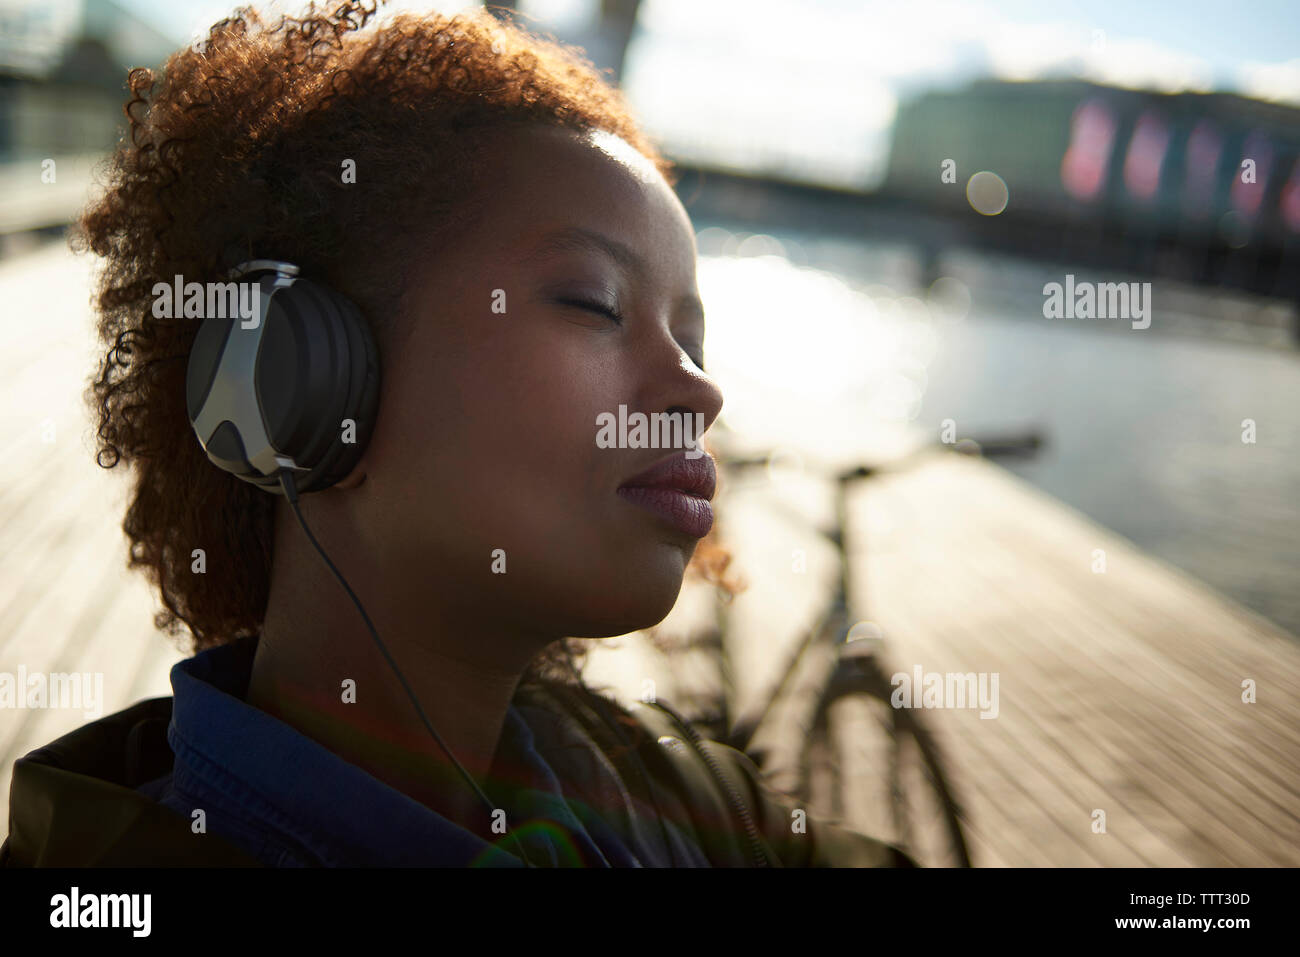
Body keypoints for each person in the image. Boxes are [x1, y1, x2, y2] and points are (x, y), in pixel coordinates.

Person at [1, 2, 913, 868]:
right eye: (594, 302)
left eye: (693, 335)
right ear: (298, 381)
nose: (699, 389)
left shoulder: (679, 798)